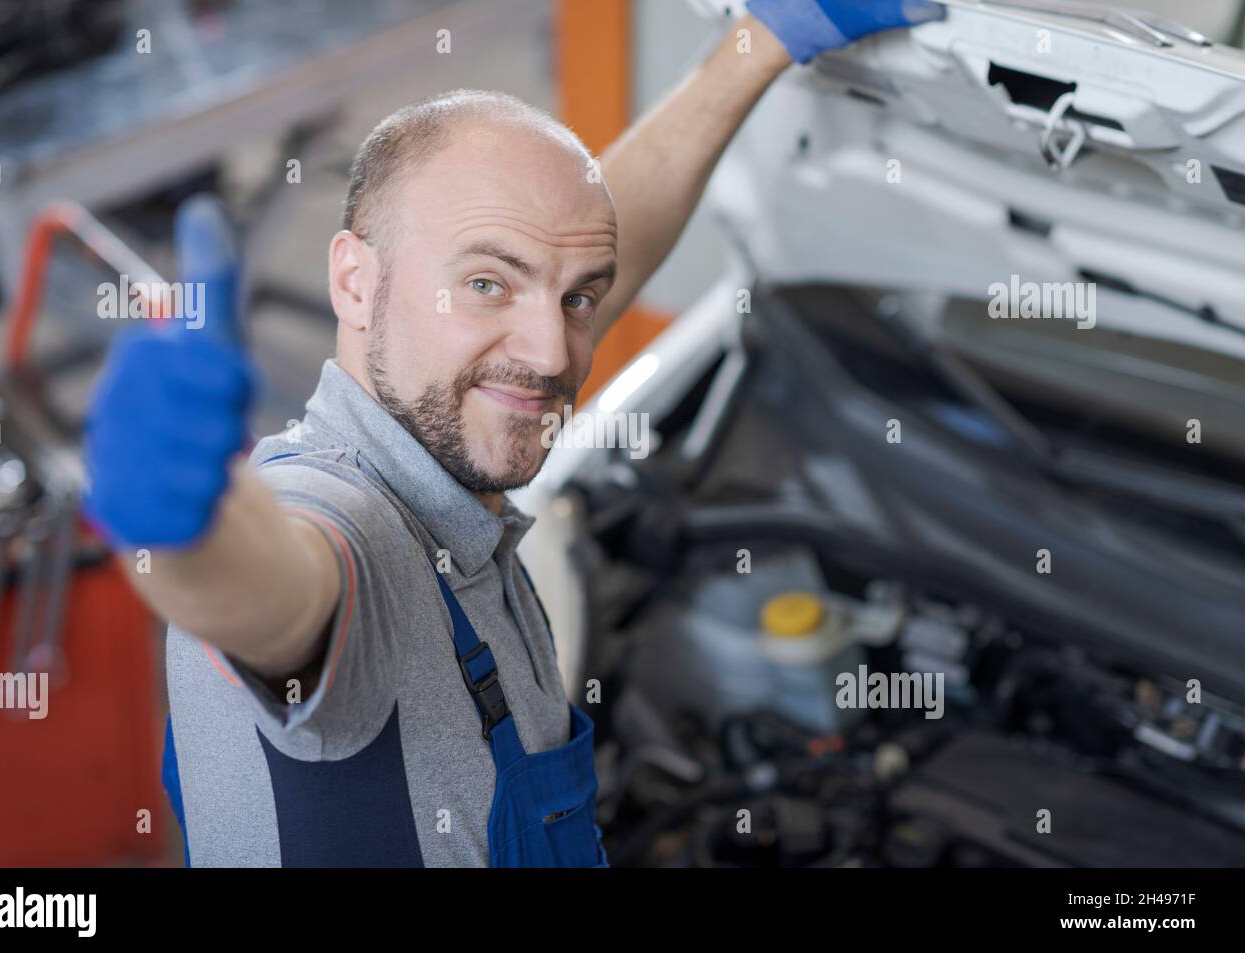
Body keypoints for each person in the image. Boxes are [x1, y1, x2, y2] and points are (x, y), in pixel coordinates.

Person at [83, 0, 944, 867]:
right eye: (488, 284)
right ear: (353, 282)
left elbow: (584, 248)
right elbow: (274, 595)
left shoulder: (449, 460)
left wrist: (762, 42)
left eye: (579, 300)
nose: (551, 352)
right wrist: (188, 529)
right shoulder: (348, 519)